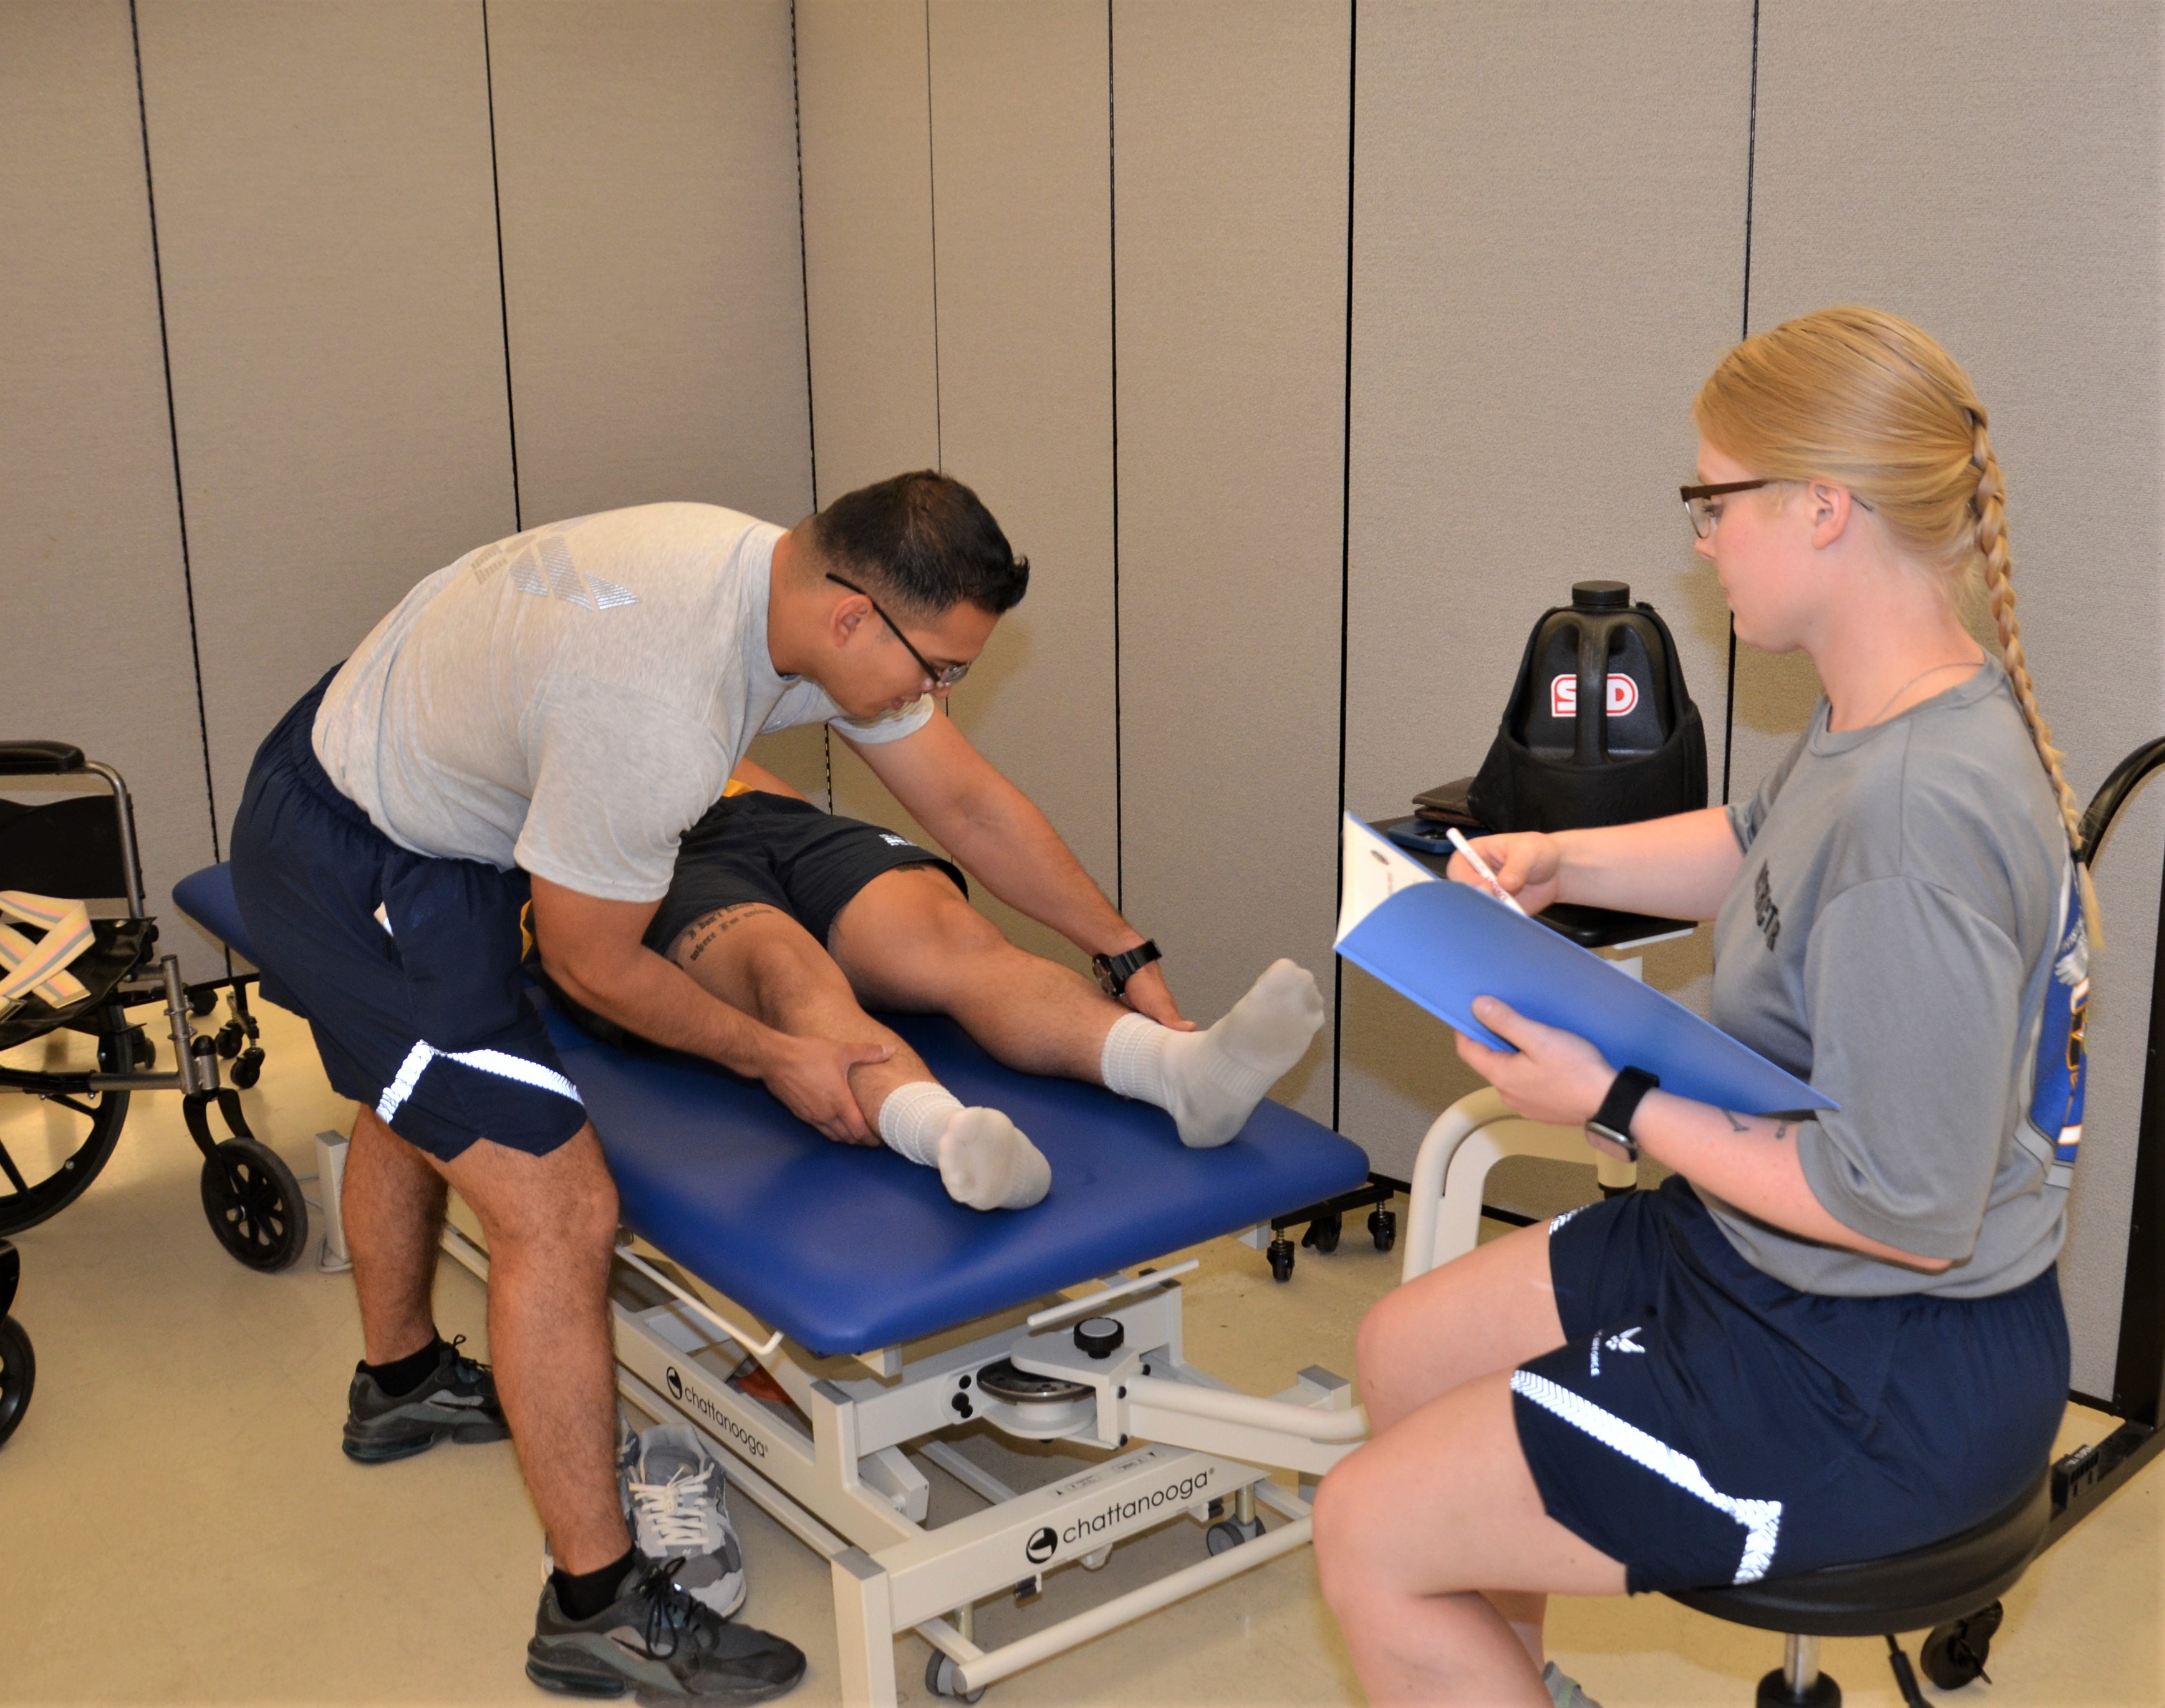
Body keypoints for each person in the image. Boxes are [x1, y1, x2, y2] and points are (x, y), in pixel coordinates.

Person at [229, 471, 1272, 1701]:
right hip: (353, 857)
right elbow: (589, 962)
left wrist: (1123, 952)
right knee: (556, 1205)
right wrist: (776, 1056)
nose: (942, 697)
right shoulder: (655, 701)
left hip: (430, 786)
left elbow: (968, 802)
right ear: (852, 618)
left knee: (434, 1095)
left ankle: (398, 1387)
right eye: (937, 670)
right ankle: (596, 1610)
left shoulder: (769, 577)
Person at [1311, 307, 2088, 1707]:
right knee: (1400, 1349)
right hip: (1769, 1257)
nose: (1701, 536)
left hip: (1877, 1372)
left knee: (1364, 1529)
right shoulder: (1882, 715)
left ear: (1823, 508)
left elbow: (1900, 1214)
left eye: (1714, 500)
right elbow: (1756, 838)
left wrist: (1610, 1099)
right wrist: (1565, 860)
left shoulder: (1921, 814)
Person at [536, 755, 1325, 1211]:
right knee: (785, 972)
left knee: (954, 940)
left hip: (767, 819)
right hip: (621, 855)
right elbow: (563, 939)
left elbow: (958, 798)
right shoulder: (494, 735)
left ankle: (1185, 1075)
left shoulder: (669, 677)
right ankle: (954, 1139)